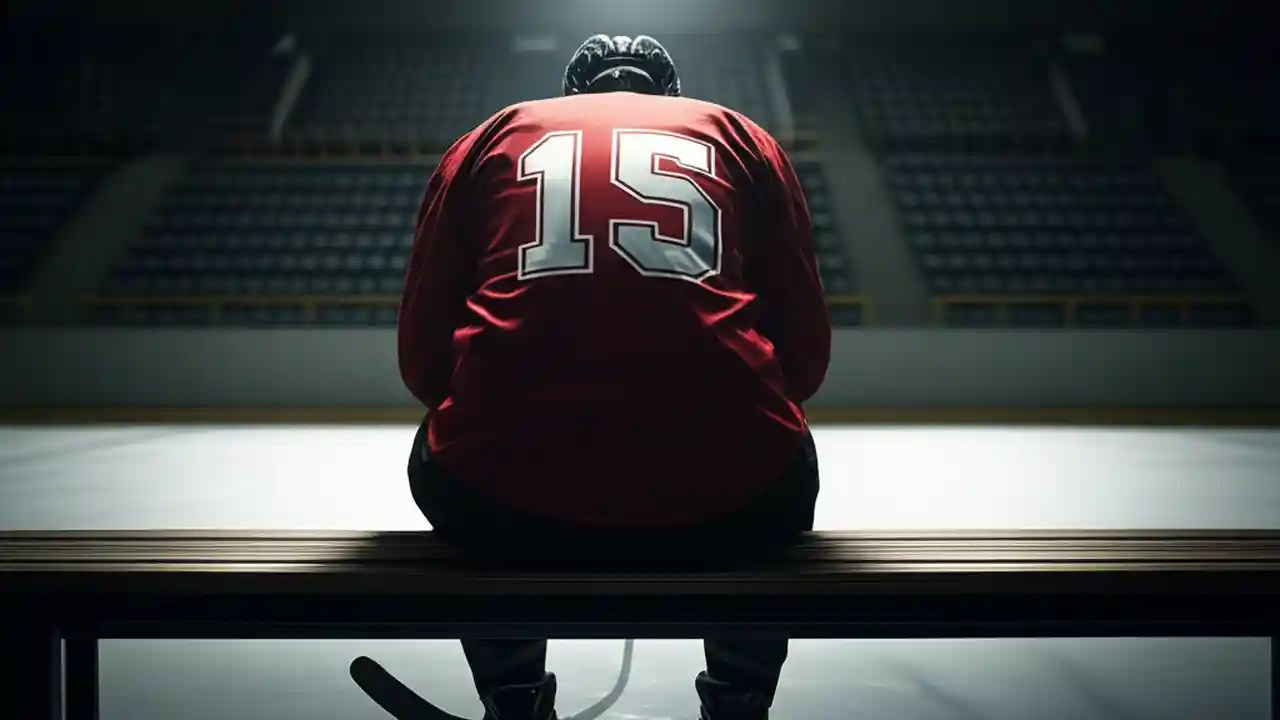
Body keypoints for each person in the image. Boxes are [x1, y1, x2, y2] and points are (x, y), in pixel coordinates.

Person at [397, 33, 831, 720]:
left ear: (572, 94)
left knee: (459, 450)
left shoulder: (490, 136)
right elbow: (804, 363)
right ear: (670, 97)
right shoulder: (743, 137)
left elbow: (422, 366)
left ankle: (513, 697)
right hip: (731, 506)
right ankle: (738, 699)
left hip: (505, 507)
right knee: (779, 446)